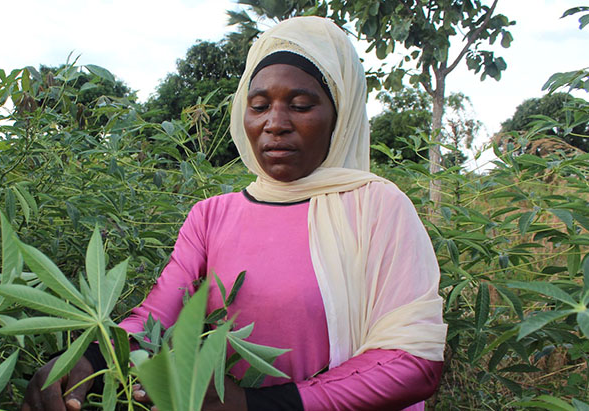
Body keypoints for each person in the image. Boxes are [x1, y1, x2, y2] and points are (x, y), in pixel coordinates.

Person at [22, 16, 447, 411]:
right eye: (259, 105)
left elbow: (413, 361)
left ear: (340, 115)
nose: (275, 123)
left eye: (301, 105)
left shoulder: (377, 205)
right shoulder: (211, 216)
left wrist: (252, 405)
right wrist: (90, 356)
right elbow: (158, 316)